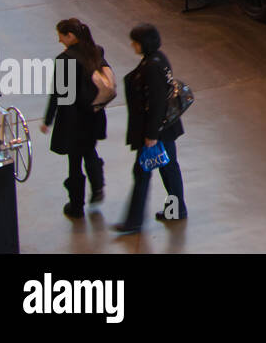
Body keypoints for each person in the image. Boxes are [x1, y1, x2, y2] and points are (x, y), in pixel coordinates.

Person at [112, 24, 186, 235]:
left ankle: (134, 221)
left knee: (143, 173)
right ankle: (175, 210)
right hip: (165, 130)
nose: (132, 45)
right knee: (169, 170)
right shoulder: (158, 59)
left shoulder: (151, 66)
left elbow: (156, 104)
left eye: (135, 41)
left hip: (155, 132)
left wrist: (151, 135)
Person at [40, 19, 112, 218]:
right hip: (95, 115)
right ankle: (97, 185)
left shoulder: (65, 60)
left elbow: (58, 93)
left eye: (61, 36)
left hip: (73, 119)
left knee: (74, 162)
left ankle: (76, 205)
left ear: (70, 35)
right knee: (89, 150)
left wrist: (48, 120)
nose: (59, 40)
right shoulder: (97, 51)